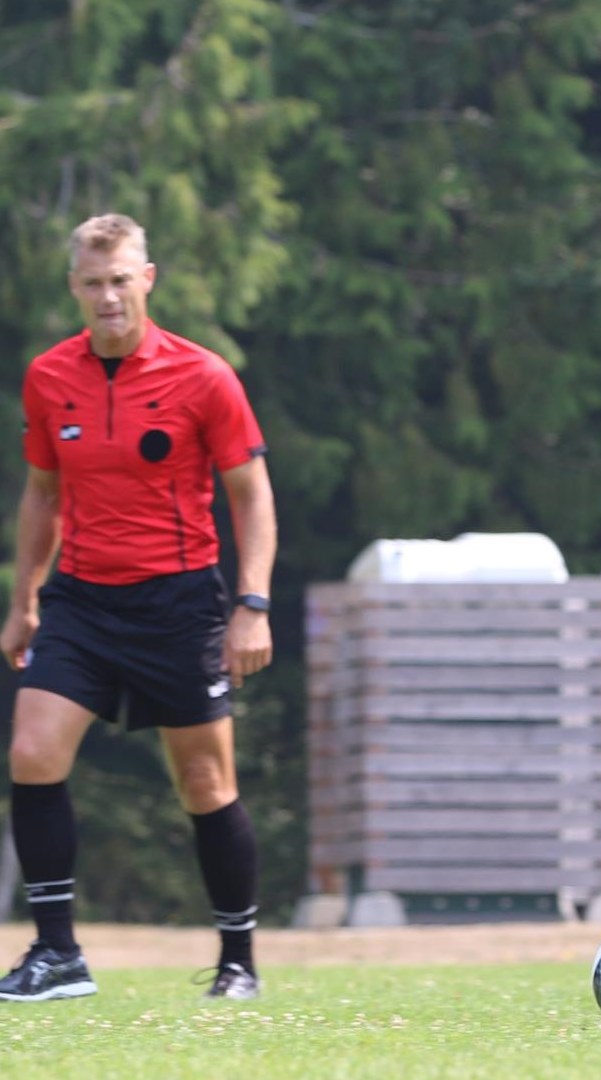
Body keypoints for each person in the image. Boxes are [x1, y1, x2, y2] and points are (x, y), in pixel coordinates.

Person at [0, 214, 277, 1002]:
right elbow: (42, 493)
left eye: (121, 279)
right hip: (82, 603)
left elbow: (251, 498)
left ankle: (237, 965)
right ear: (75, 289)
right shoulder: (49, 376)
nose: (108, 296)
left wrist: (251, 605)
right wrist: (24, 602)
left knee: (204, 783)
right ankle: (57, 956)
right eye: (93, 283)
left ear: (147, 279)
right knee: (32, 752)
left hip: (180, 603)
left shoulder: (205, 376)